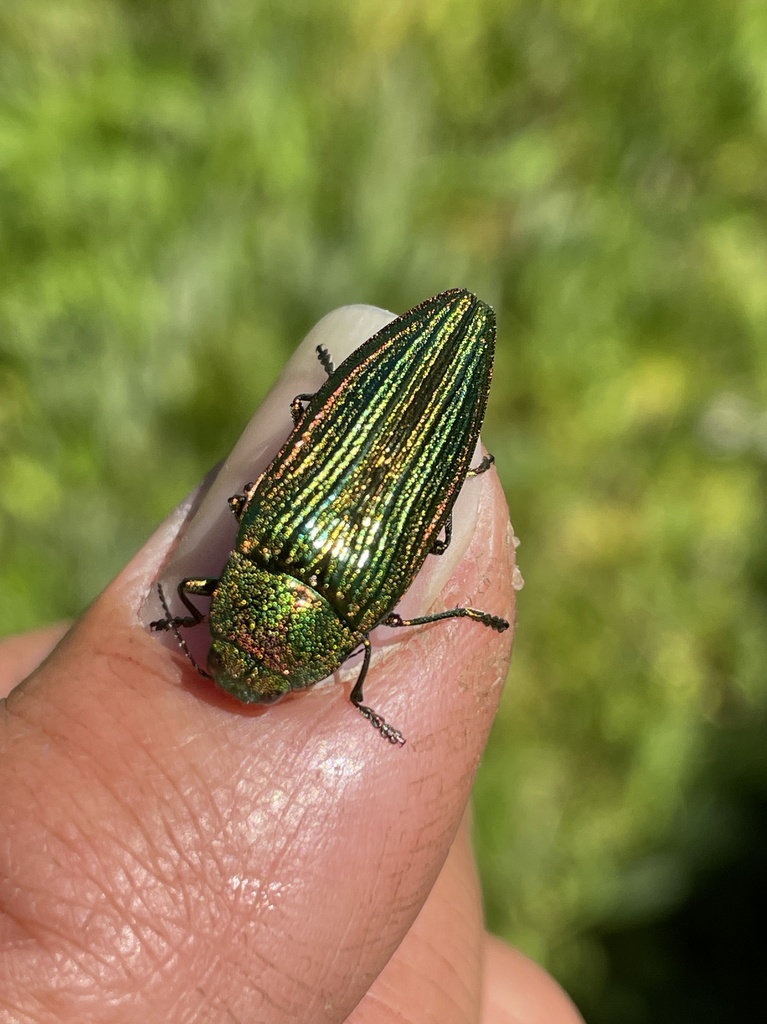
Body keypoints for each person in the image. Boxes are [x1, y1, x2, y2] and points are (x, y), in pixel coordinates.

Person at [0, 310, 583, 1022]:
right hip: (377, 445)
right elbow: (207, 584)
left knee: (401, 595)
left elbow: (359, 626)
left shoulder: (350, 615)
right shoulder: (262, 559)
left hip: (381, 431)